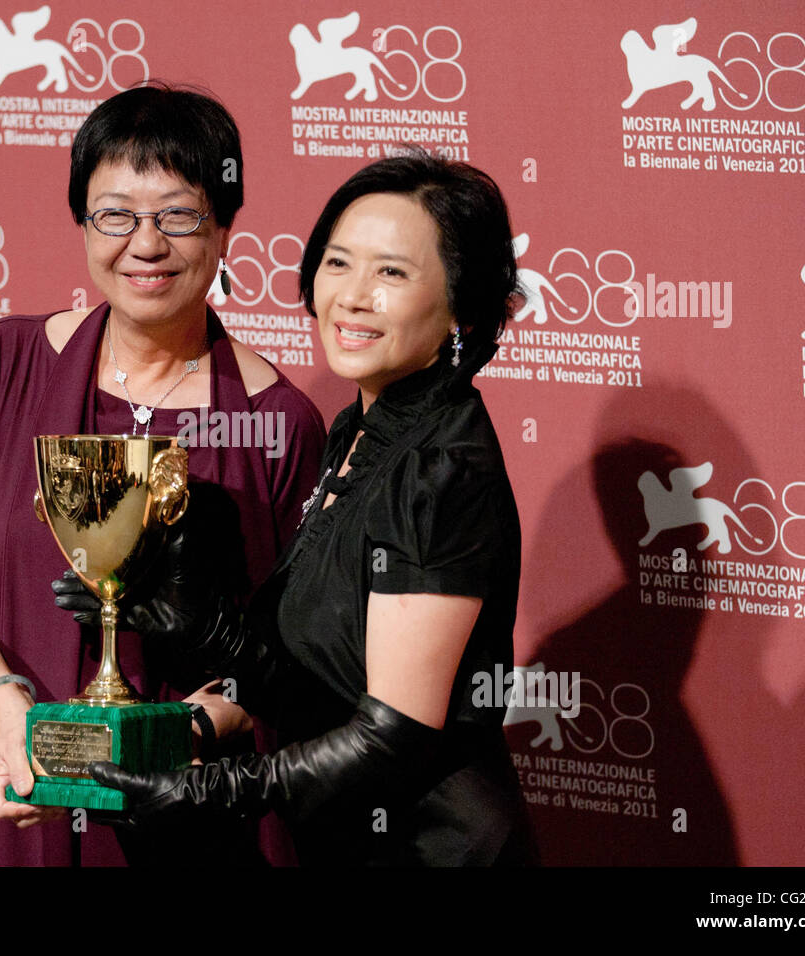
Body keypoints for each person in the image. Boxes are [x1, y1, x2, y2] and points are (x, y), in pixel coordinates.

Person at [0, 84, 326, 866]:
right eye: (115, 215)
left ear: (225, 227)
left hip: (185, 818)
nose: (145, 244)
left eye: (178, 215)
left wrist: (178, 735)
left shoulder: (281, 424)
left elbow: (290, 664)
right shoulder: (1, 367)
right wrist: (8, 710)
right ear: (83, 224)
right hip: (17, 781)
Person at [89, 152, 537, 865]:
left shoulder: (441, 467)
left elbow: (394, 734)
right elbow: (330, 691)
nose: (352, 296)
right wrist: (200, 626)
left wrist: (213, 790)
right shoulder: (359, 431)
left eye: (392, 273)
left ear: (462, 304)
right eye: (337, 262)